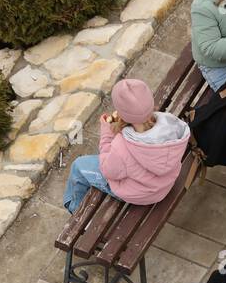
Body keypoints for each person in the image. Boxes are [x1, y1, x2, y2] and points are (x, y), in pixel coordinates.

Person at [63, 78, 190, 213]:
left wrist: (106, 134)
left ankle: (74, 208)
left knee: (78, 166)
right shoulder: (171, 124)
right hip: (163, 185)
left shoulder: (122, 147)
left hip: (142, 194)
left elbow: (107, 170)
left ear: (122, 115)